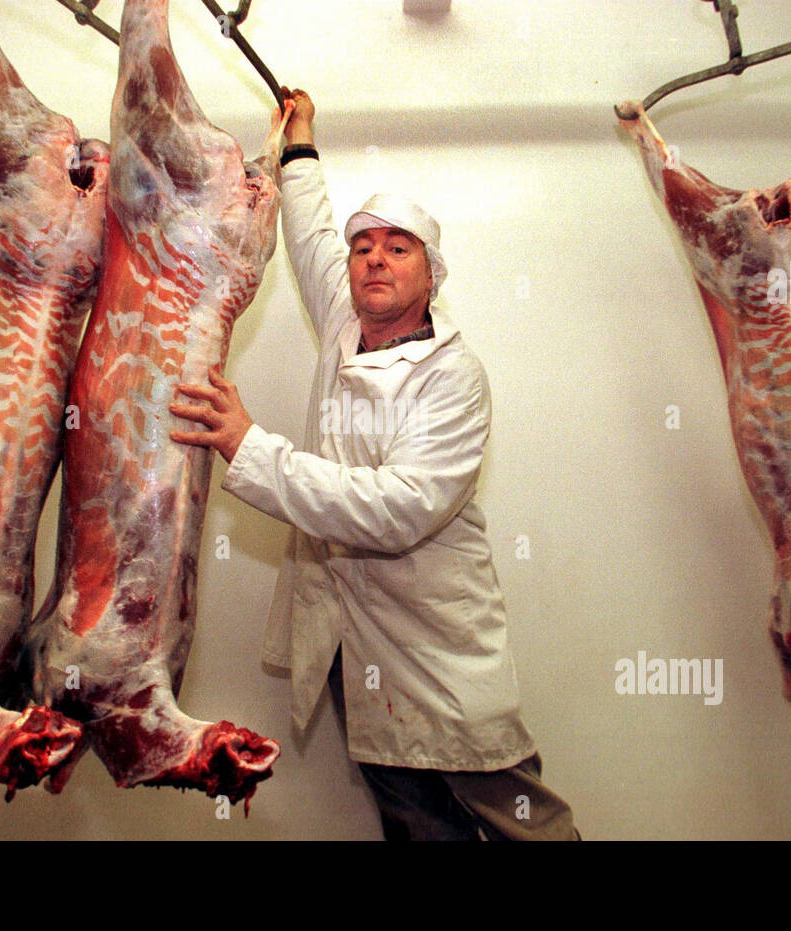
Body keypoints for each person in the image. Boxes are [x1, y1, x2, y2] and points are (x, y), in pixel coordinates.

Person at [169, 88, 579, 841]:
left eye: (398, 247)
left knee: (526, 821)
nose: (373, 260)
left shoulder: (454, 376)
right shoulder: (342, 321)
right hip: (353, 640)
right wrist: (300, 146)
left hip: (435, 637)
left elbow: (397, 509)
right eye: (365, 249)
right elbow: (311, 232)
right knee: (412, 820)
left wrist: (248, 446)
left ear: (432, 274)